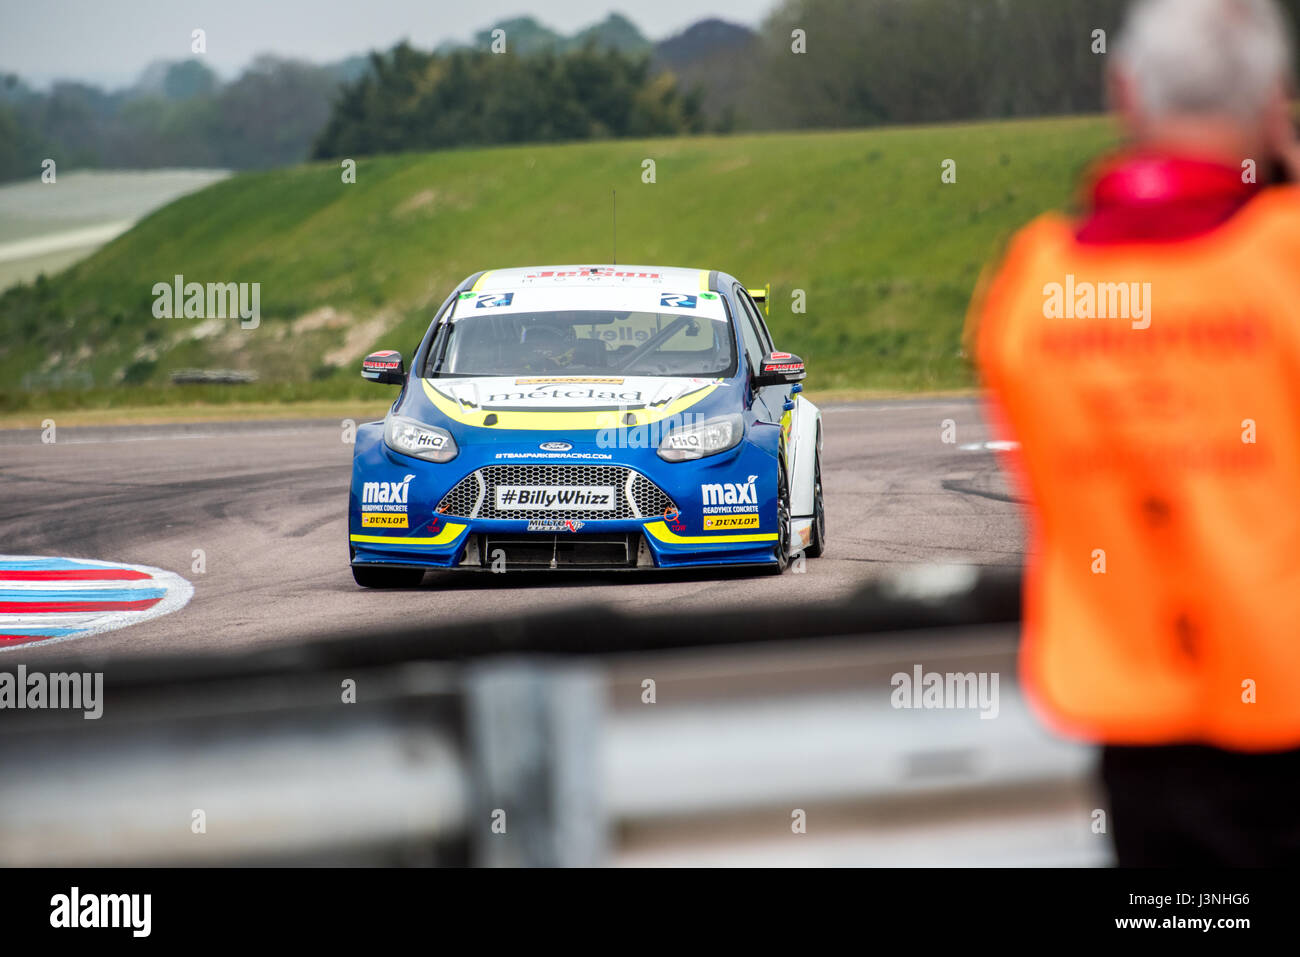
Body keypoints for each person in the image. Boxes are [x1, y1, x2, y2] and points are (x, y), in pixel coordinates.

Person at [969, 0, 1300, 865]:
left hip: (1139, 741)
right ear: (1276, 103)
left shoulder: (1033, 290)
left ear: (1126, 96)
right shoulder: (1282, 259)